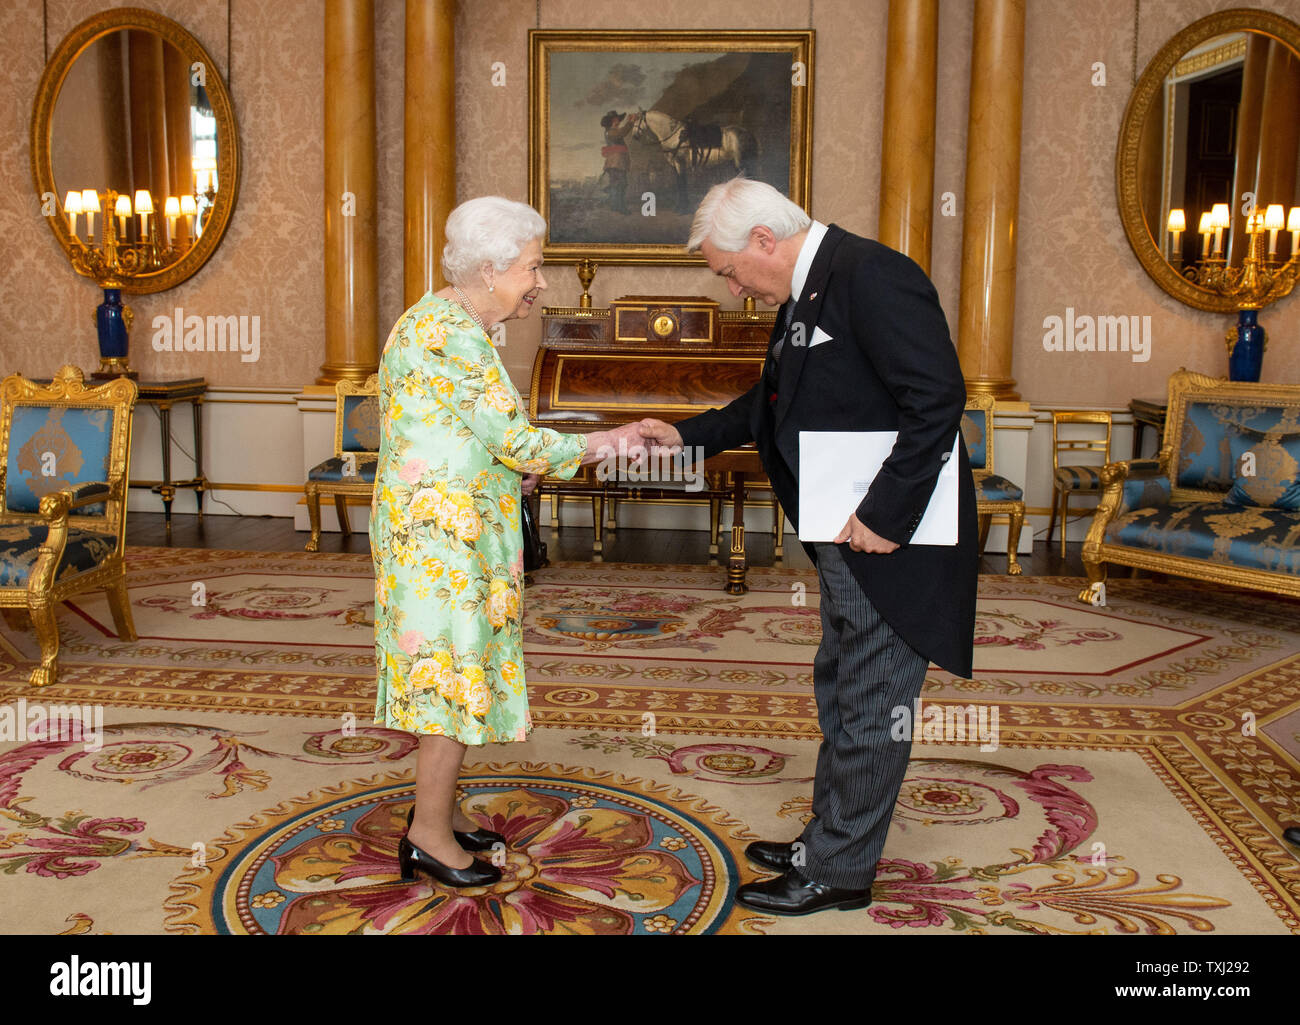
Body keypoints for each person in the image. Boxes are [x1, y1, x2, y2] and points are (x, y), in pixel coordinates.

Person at [638, 177, 979, 916]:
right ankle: (828, 838)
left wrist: (887, 515)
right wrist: (684, 434)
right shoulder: (806, 288)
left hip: (888, 539)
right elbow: (770, 402)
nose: (733, 291)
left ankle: (841, 872)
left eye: (730, 272)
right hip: (838, 530)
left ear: (763, 240)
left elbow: (939, 397)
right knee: (842, 686)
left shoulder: (872, 275)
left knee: (872, 700)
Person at [371, 196, 643, 887]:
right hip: (439, 545)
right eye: (532, 267)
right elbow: (515, 439)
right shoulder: (452, 336)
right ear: (490, 270)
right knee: (449, 678)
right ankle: (429, 835)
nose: (540, 281)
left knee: (455, 671)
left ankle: (443, 806)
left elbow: (453, 432)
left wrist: (503, 472)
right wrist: (605, 441)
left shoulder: (445, 319)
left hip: (446, 531)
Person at [599, 110, 634, 214]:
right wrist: (631, 122)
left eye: (618, 119)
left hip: (615, 162)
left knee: (616, 184)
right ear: (612, 121)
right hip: (616, 162)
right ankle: (621, 207)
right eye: (616, 119)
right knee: (621, 184)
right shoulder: (611, 131)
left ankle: (615, 206)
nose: (618, 121)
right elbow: (622, 133)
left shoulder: (611, 131)